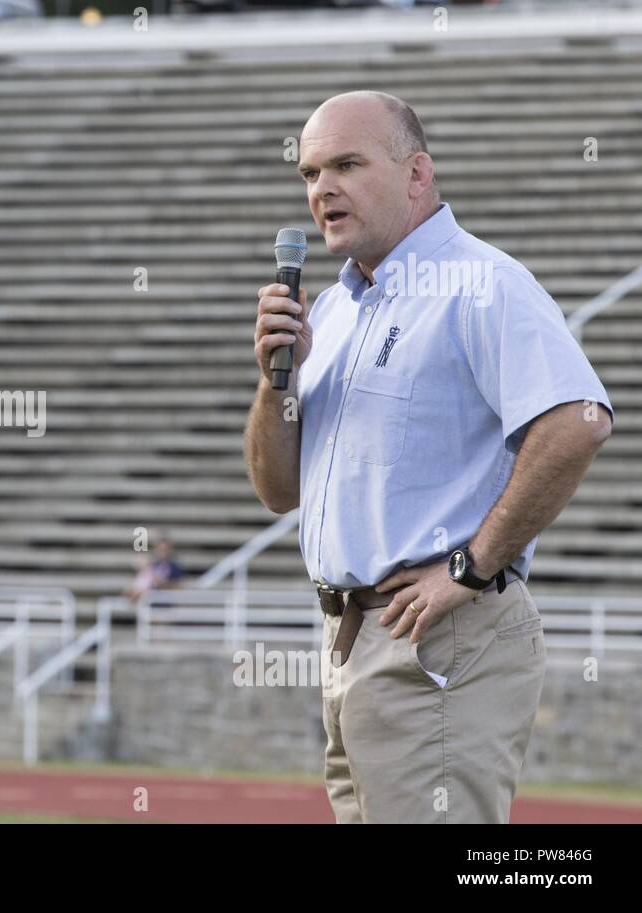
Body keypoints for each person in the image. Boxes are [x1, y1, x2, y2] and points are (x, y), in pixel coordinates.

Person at [244, 92, 613, 823]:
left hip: (438, 637)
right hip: (352, 639)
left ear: (417, 174)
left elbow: (578, 421)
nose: (322, 189)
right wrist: (270, 383)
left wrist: (472, 565)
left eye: (346, 164)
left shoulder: (481, 281)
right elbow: (277, 490)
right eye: (310, 173)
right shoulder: (332, 309)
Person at [124, 535, 187, 600]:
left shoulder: (175, 567)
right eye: (160, 549)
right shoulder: (151, 566)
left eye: (165, 549)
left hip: (167, 605)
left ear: (170, 549)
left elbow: (179, 588)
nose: (163, 552)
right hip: (150, 605)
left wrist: (162, 584)